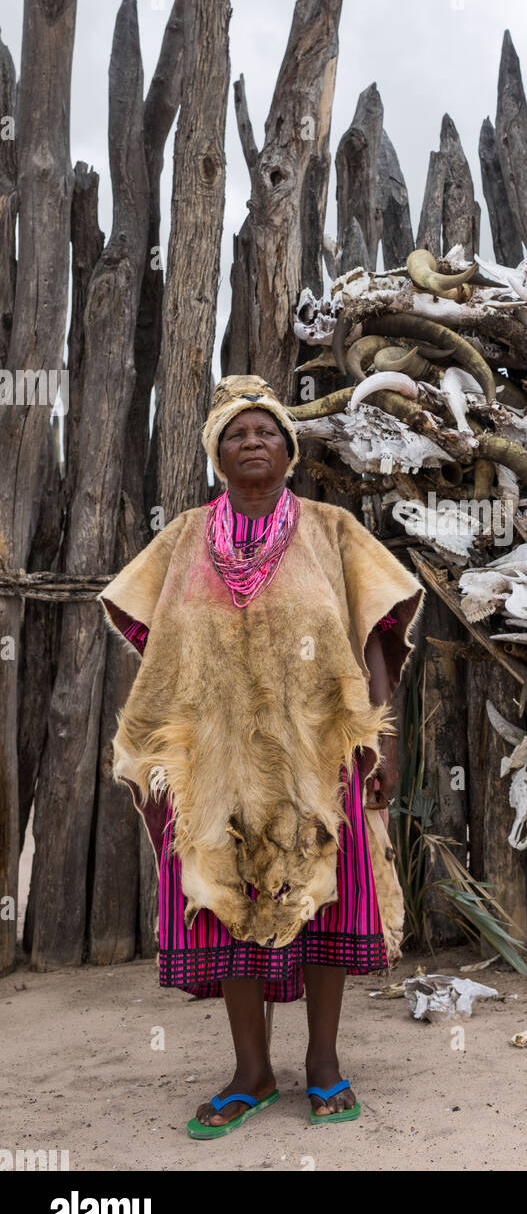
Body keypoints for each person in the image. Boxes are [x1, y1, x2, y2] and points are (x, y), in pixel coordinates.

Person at [98, 374, 424, 1137]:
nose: (252, 443)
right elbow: (153, 636)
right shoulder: (183, 537)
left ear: (289, 450)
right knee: (230, 900)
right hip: (214, 758)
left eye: (266, 432)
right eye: (236, 434)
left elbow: (378, 630)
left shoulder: (330, 528)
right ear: (217, 454)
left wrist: (382, 735)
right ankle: (250, 1072)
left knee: (323, 897)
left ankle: (323, 1064)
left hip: (319, 752)